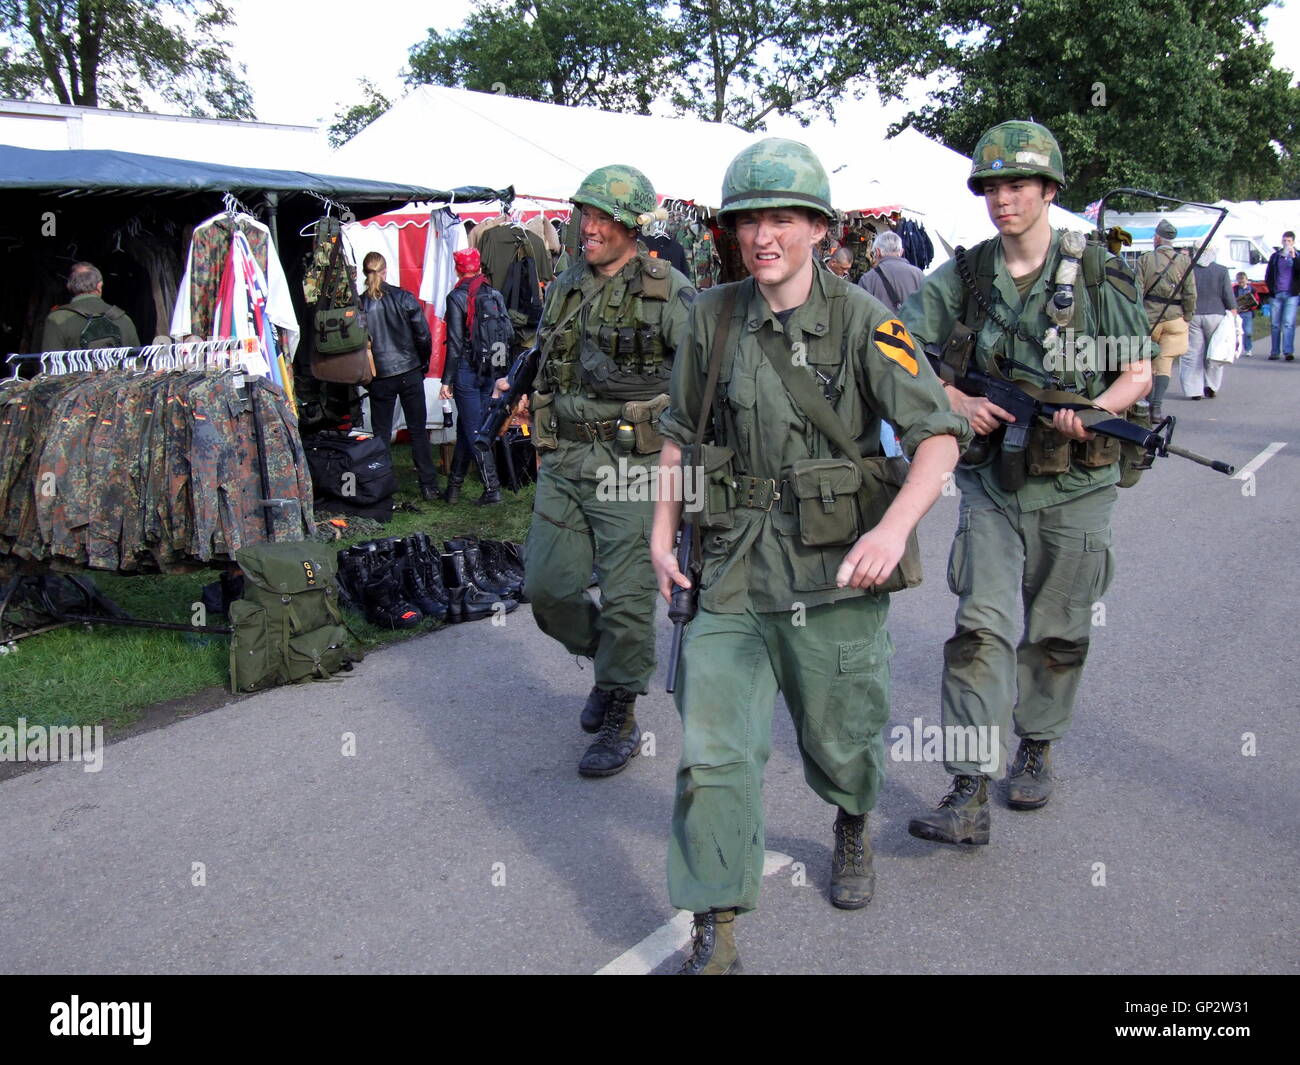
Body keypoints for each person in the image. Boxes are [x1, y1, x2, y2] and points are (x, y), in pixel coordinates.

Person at [651, 138, 968, 974]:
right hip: (728, 568)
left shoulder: (866, 319)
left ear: (820, 230)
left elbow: (939, 435)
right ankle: (714, 928)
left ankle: (852, 821)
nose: (764, 235)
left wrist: (893, 528)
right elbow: (679, 437)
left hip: (833, 572)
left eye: (783, 217)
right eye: (749, 219)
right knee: (712, 755)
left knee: (843, 738)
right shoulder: (710, 315)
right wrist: (659, 529)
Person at [901, 120, 1151, 845]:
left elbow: (1137, 368)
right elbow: (902, 354)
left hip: (1076, 485)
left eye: (1018, 185)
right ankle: (969, 788)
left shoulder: (1097, 274)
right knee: (980, 629)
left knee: (1059, 629)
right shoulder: (964, 277)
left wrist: (1097, 411)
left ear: (1047, 190)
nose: (1003, 199)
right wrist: (957, 401)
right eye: (992, 186)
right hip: (991, 484)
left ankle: (1036, 743)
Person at [517, 165, 695, 777]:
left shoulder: (668, 289)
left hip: (633, 464)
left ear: (635, 228)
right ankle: (611, 661)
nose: (588, 228)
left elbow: (701, 377)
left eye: (602, 219)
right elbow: (550, 356)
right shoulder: (567, 284)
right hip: (565, 458)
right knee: (547, 589)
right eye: (584, 215)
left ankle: (620, 705)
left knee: (626, 599)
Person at [358, 252, 439, 501]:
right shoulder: (403, 297)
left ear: (366, 273)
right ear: (385, 270)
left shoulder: (359, 305)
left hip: (379, 375)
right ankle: (428, 486)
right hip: (408, 370)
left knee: (381, 434)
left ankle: (382, 486)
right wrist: (421, 362)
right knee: (417, 430)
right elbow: (423, 335)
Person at [440, 247, 507, 505]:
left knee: (474, 428)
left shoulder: (456, 296)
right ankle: (454, 487)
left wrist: (447, 380)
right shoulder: (494, 294)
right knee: (467, 426)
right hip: (490, 368)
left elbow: (455, 343)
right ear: (478, 267)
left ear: (458, 269)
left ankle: (492, 489)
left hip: (467, 369)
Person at [1136, 219, 1196, 420]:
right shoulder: (1184, 261)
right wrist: (1187, 315)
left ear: (1157, 238)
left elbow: (1137, 290)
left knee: (1145, 362)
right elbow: (1190, 293)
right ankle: (1157, 407)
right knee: (1165, 363)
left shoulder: (1146, 260)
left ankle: (1144, 404)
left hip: (1149, 317)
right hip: (1175, 317)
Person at [42, 262, 141, 351]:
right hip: (117, 372)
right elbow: (138, 366)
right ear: (99, 286)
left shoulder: (57, 319)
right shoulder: (123, 318)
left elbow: (50, 367)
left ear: (69, 286)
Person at [1182, 245, 1236, 400]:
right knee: (1214, 352)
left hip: (1194, 314)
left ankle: (1194, 390)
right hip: (1216, 314)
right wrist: (1233, 311)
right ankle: (1211, 385)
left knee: (1193, 353)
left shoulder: (1189, 269)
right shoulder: (1221, 270)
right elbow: (1227, 294)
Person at [858, 230, 925, 311]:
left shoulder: (867, 279)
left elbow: (861, 314)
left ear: (878, 252)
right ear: (901, 252)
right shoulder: (919, 275)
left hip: (881, 323)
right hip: (911, 323)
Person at [1264, 230, 1298, 360]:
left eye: (1289, 241)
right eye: (1284, 240)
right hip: (1276, 294)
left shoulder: (1297, 255)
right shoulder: (1275, 256)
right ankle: (1274, 351)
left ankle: (1288, 351)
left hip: (1291, 294)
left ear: (1293, 242)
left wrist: (1294, 257)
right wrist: (1270, 289)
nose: (1286, 243)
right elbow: (1268, 275)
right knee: (1275, 324)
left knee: (1288, 323)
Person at [1235, 271, 1260, 357]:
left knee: (1248, 332)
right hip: (1237, 313)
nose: (1241, 284)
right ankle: (1236, 349)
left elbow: (1256, 301)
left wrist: (1251, 306)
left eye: (1243, 282)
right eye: (1239, 282)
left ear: (1246, 280)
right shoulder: (1235, 289)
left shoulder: (1252, 290)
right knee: (1236, 332)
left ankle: (1248, 349)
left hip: (1247, 313)